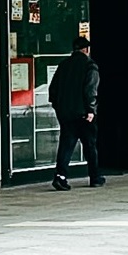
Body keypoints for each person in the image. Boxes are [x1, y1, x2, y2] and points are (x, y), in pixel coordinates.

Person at [49, 36, 103, 191]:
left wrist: (59, 108)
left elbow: (53, 90)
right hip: (84, 114)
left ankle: (60, 176)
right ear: (86, 50)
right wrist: (90, 110)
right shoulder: (90, 66)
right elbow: (90, 90)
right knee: (90, 145)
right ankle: (95, 177)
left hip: (66, 114)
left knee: (66, 145)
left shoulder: (63, 65)